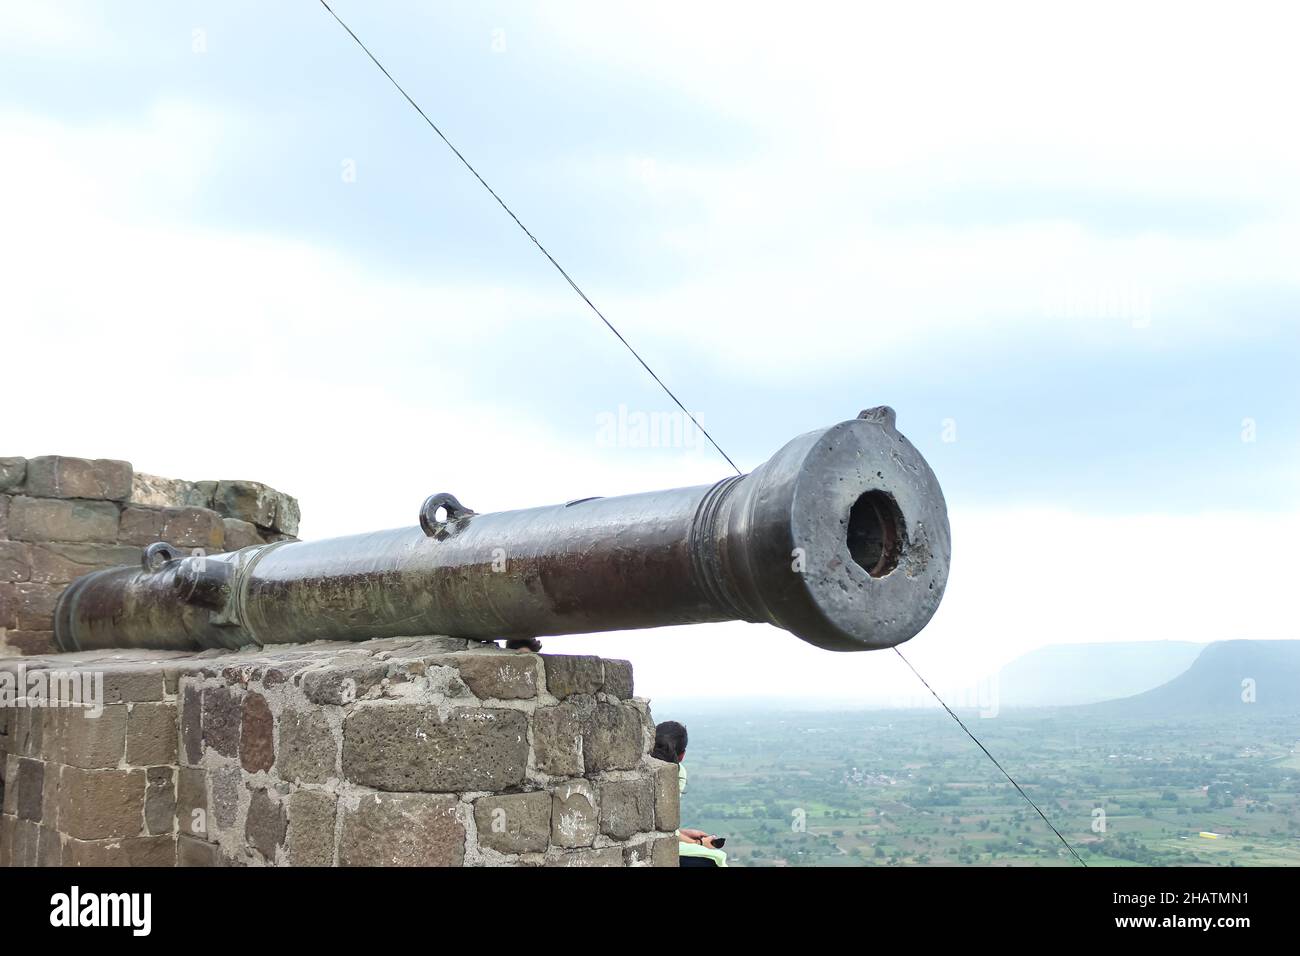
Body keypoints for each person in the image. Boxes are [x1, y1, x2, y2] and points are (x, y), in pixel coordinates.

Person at [652, 720, 727, 867]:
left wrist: (684, 833)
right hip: (656, 849)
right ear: (682, 755)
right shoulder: (676, 773)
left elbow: (655, 825)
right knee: (713, 860)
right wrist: (699, 843)